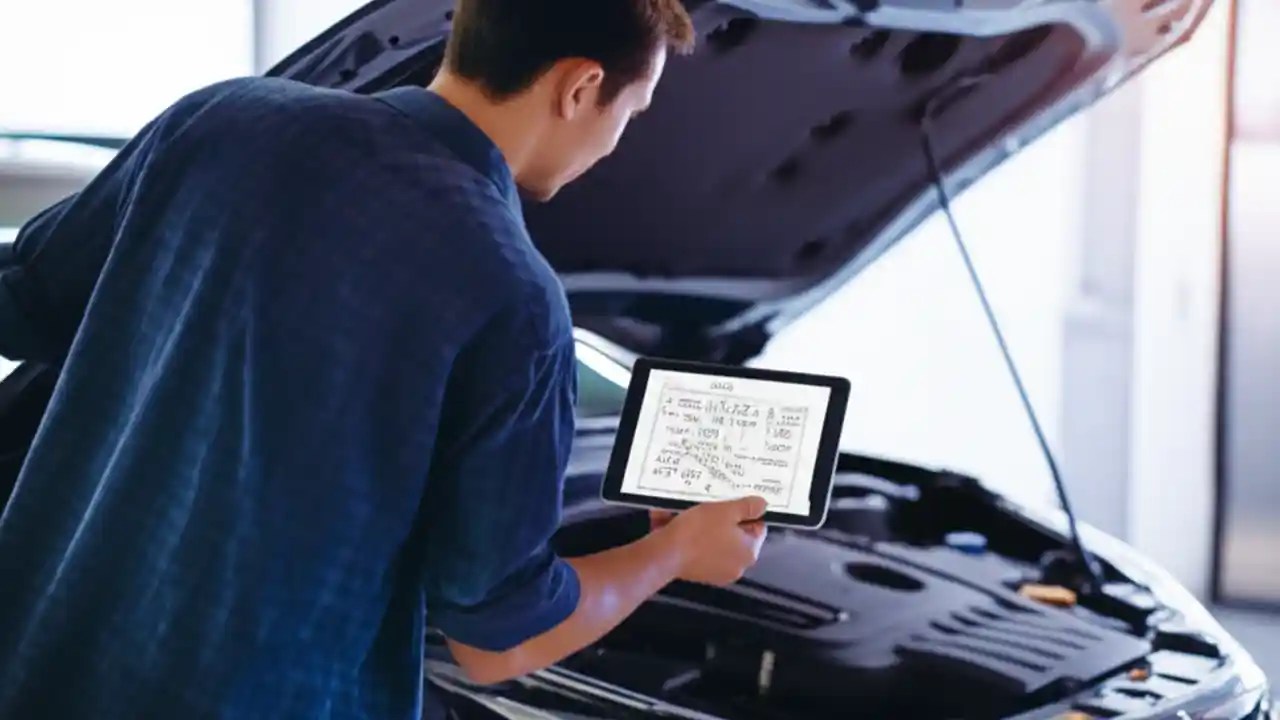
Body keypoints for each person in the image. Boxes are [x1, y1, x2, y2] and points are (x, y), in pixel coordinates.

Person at [0, 1, 769, 718]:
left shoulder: (219, 119)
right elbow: (499, 639)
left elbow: (25, 303)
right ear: (580, 87)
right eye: (632, 112)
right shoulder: (510, 292)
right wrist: (673, 552)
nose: (616, 141)